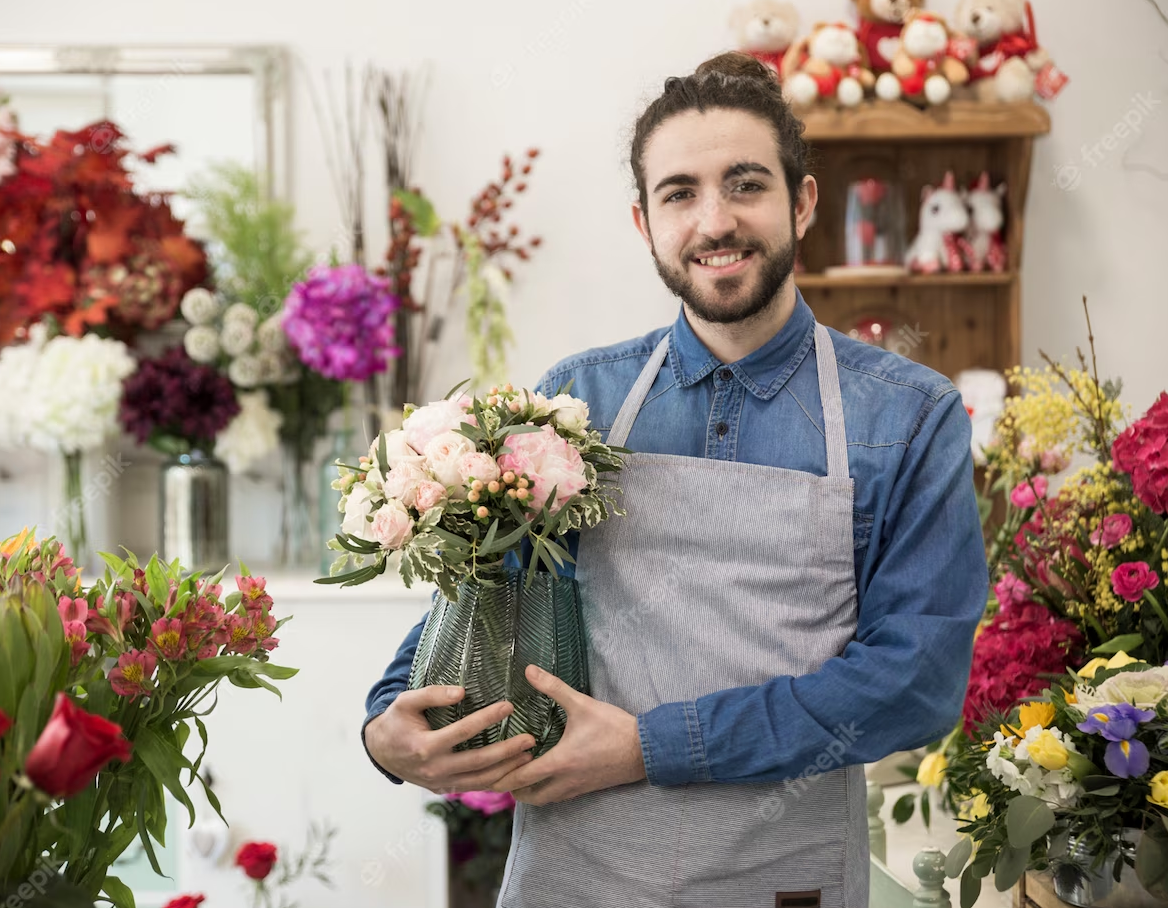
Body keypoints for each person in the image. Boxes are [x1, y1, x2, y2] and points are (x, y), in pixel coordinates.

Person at [362, 52, 987, 908]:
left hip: (784, 879)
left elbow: (912, 684)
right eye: (680, 193)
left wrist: (649, 746)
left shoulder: (909, 418)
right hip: (571, 877)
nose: (714, 221)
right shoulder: (576, 400)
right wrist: (386, 723)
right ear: (643, 221)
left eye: (745, 185)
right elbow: (482, 596)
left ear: (802, 202)